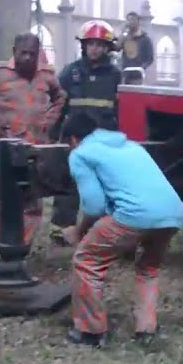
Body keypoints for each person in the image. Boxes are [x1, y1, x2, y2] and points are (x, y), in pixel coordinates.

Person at [62, 112, 183, 346]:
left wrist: (79, 232)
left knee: (87, 261)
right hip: (171, 214)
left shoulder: (81, 153)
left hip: (135, 214)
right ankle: (146, 330)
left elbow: (94, 205)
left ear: (74, 139)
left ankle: (91, 332)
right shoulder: (131, 146)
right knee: (148, 268)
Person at [0, 33, 66, 245]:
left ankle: (22, 247)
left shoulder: (46, 75)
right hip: (7, 147)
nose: (27, 58)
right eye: (23, 53)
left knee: (32, 199)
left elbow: (60, 96)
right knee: (4, 197)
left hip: (36, 148)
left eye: (32, 54)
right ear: (14, 52)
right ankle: (2, 246)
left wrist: (49, 121)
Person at [52, 20, 124, 243]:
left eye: (100, 44)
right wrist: (54, 135)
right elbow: (57, 105)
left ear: (107, 48)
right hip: (74, 139)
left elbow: (122, 109)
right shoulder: (70, 72)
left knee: (104, 186)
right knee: (68, 184)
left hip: (104, 141)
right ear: (83, 45)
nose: (95, 48)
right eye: (91, 43)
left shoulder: (115, 76)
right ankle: (61, 230)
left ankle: (101, 231)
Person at [119, 10, 154, 77]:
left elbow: (150, 58)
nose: (130, 22)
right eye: (128, 20)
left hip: (138, 74)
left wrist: (141, 68)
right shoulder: (125, 37)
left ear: (138, 22)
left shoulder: (145, 38)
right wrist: (122, 34)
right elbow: (117, 47)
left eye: (133, 20)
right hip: (125, 73)